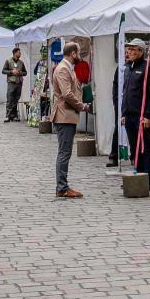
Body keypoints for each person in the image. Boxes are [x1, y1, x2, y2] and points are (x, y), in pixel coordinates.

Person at [118, 38, 150, 186]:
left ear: (141, 51)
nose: (129, 51)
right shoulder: (127, 67)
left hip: (142, 116)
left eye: (133, 49)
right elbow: (124, 92)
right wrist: (123, 113)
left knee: (145, 147)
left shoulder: (147, 68)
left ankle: (147, 178)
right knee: (134, 148)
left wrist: (148, 115)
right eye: (128, 49)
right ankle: (138, 176)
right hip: (129, 115)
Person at [51, 42, 85, 199]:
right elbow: (67, 94)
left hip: (67, 115)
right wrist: (82, 106)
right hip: (64, 115)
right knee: (64, 152)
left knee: (65, 152)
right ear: (73, 53)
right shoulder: (63, 68)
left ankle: (63, 186)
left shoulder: (67, 68)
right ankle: (62, 187)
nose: (80, 55)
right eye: (79, 52)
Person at [2, 48, 28, 122]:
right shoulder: (8, 61)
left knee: (16, 99)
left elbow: (25, 73)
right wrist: (11, 72)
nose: (20, 54)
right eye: (19, 53)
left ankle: (14, 115)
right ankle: (8, 115)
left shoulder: (21, 62)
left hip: (19, 83)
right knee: (10, 99)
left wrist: (20, 73)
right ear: (14, 53)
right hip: (11, 82)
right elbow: (3, 71)